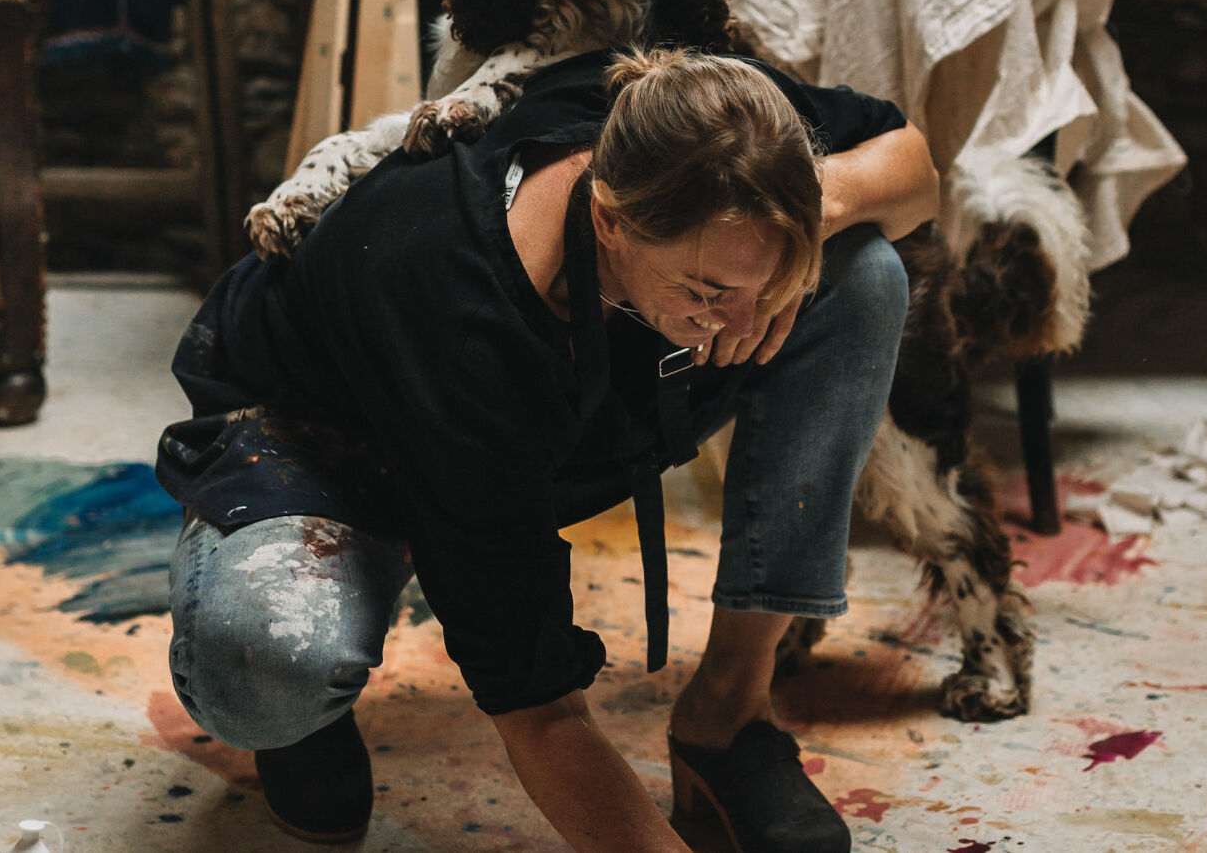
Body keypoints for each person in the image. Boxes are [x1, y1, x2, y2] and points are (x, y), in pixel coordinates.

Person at [157, 46, 938, 853]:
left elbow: (916, 170)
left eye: (752, 295)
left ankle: (729, 715)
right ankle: (304, 706)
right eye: (706, 293)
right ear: (607, 220)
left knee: (863, 273)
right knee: (267, 665)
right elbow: (537, 709)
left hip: (562, 399)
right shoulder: (466, 327)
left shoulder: (703, 121)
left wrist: (810, 214)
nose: (745, 334)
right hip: (324, 437)